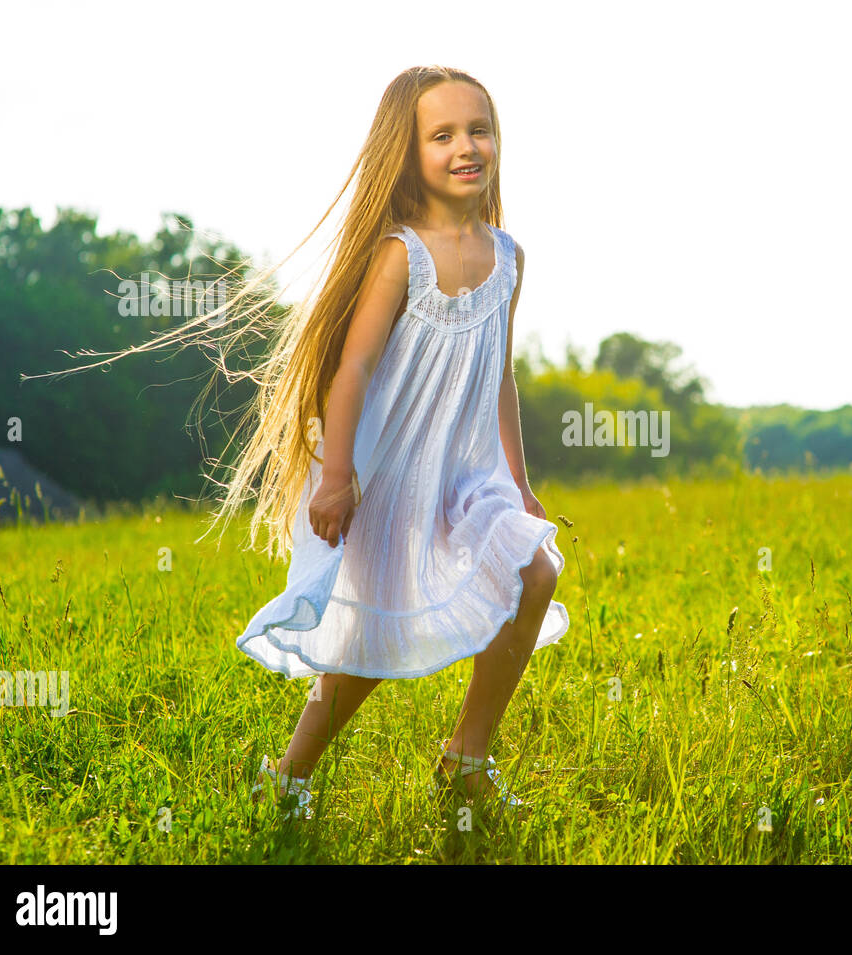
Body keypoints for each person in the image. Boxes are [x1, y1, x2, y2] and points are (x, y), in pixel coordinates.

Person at [230, 66, 569, 817]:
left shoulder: (508, 258)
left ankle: (465, 759)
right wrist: (337, 472)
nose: (466, 147)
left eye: (478, 130)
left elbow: (501, 377)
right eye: (442, 135)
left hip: (469, 471)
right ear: (408, 152)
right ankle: (288, 772)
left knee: (536, 567)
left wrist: (519, 481)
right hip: (391, 473)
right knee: (372, 643)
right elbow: (351, 368)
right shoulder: (399, 254)